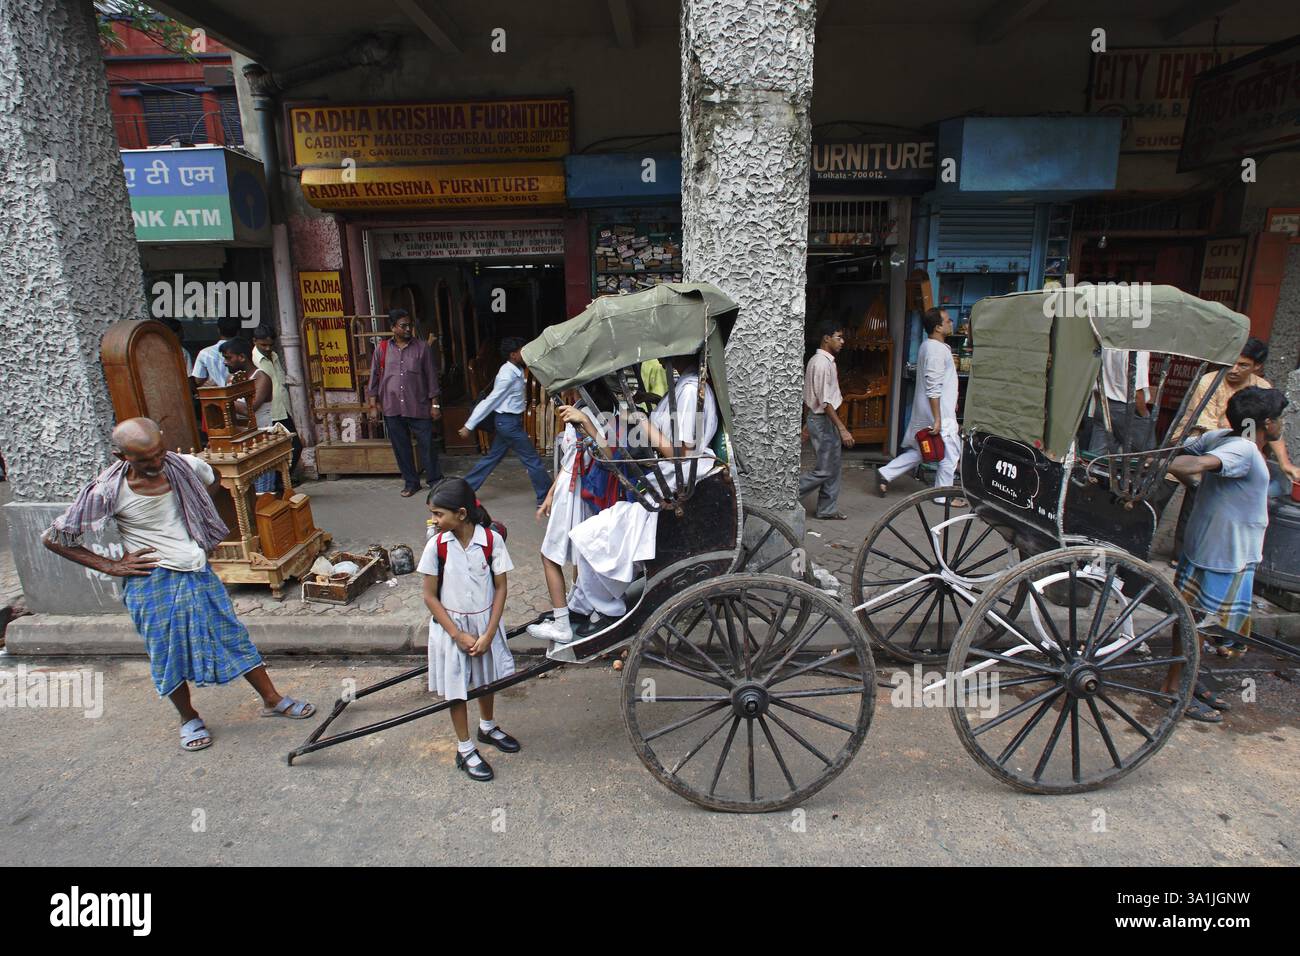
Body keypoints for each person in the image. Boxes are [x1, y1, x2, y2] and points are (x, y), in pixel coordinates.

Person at [41, 418, 315, 752]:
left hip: (196, 569)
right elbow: (55, 538)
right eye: (145, 460)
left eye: (159, 453)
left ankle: (272, 699)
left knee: (231, 635)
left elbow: (212, 482)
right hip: (150, 578)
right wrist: (112, 565)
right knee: (166, 652)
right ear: (121, 456)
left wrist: (196, 521)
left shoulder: (183, 467)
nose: (157, 464)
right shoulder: (108, 490)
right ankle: (188, 717)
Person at [538, 354, 719, 643]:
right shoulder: (686, 386)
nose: (660, 359)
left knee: (592, 538)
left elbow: (680, 453)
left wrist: (642, 421)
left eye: (667, 353)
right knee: (596, 536)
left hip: (673, 481)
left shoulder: (688, 390)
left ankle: (606, 609)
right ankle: (586, 607)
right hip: (667, 481)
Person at [1167, 386, 1286, 722]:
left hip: (1210, 546)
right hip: (1224, 555)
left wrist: (1166, 460)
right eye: (1279, 420)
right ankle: (1175, 687)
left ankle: (1190, 678)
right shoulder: (1243, 450)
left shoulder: (1223, 436)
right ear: (1267, 423)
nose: (1281, 426)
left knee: (1194, 619)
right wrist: (1173, 466)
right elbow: (1198, 463)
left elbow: (1188, 451)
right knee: (1200, 623)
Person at [419, 478, 520, 782]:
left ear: (461, 514)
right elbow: (429, 596)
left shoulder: (491, 541)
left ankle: (487, 727)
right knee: (457, 689)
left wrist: (489, 633)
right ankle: (464, 748)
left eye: (438, 514)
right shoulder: (437, 545)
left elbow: (501, 588)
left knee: (485, 680)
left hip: (484, 624)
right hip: (452, 630)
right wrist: (457, 634)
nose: (433, 520)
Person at [1171, 338, 1300, 557]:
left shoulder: (1262, 389)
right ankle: (1181, 552)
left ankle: (1190, 552)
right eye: (1232, 362)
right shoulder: (1209, 384)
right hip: (1198, 442)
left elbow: (1268, 432)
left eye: (1242, 365)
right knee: (1188, 500)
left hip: (1231, 453)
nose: (1233, 369)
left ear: (1256, 366)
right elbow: (1204, 438)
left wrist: (1285, 463)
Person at [526, 389, 606, 644]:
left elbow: (607, 451)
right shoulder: (589, 407)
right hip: (573, 488)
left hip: (577, 491)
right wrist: (550, 493)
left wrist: (585, 423)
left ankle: (562, 623)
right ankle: (577, 604)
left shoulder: (587, 413)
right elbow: (569, 460)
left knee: (550, 555)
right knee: (579, 554)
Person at [873, 308, 963, 505]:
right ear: (938, 327)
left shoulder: (930, 346)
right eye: (947, 320)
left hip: (932, 412)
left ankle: (885, 473)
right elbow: (933, 387)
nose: (951, 323)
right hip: (938, 414)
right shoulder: (936, 350)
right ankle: (941, 496)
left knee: (923, 451)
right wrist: (938, 419)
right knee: (950, 454)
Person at [458, 337, 551, 505]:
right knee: (532, 460)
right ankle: (545, 497)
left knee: (492, 458)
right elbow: (490, 401)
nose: (525, 353)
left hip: (508, 423)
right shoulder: (507, 376)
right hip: (508, 424)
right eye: (522, 351)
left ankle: (462, 491)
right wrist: (469, 425)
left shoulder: (516, 369)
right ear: (513, 355)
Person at [367, 308, 442, 497]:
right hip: (392, 407)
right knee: (401, 448)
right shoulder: (382, 349)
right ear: (393, 328)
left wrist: (435, 405)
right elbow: (374, 379)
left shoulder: (422, 348)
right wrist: (373, 405)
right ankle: (411, 483)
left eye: (410, 325)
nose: (408, 329)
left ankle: (435, 481)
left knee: (427, 445)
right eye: (403, 326)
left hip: (419, 405)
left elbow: (431, 377)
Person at [798, 320, 854, 520]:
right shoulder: (821, 364)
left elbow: (809, 398)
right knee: (826, 469)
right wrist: (842, 429)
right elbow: (825, 402)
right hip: (822, 420)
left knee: (833, 465)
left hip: (820, 420)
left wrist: (806, 423)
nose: (842, 341)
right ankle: (790, 495)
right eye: (838, 337)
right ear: (826, 338)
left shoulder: (824, 361)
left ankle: (827, 509)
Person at [219, 338, 277, 492]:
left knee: (262, 491)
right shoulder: (231, 379)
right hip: (241, 441)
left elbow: (249, 409)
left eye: (228, 358)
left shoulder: (261, 378)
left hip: (261, 441)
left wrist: (223, 398)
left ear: (242, 357)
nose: (225, 362)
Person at [251, 325, 301, 481]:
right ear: (254, 341)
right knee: (278, 450)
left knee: (294, 446)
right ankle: (279, 484)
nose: (267, 348)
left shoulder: (274, 356)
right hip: (269, 412)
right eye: (263, 345)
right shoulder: (254, 361)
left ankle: (281, 481)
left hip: (282, 408)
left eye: (270, 345)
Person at [1089, 348, 1152, 456]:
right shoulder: (1139, 350)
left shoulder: (1108, 344)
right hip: (1125, 408)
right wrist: (1145, 417)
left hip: (1103, 404)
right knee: (1147, 455)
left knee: (1098, 457)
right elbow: (1137, 392)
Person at [191, 315, 243, 388]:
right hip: (239, 393)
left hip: (214, 394)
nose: (225, 362)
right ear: (238, 332)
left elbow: (198, 380)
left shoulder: (204, 353)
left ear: (218, 330)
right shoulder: (244, 352)